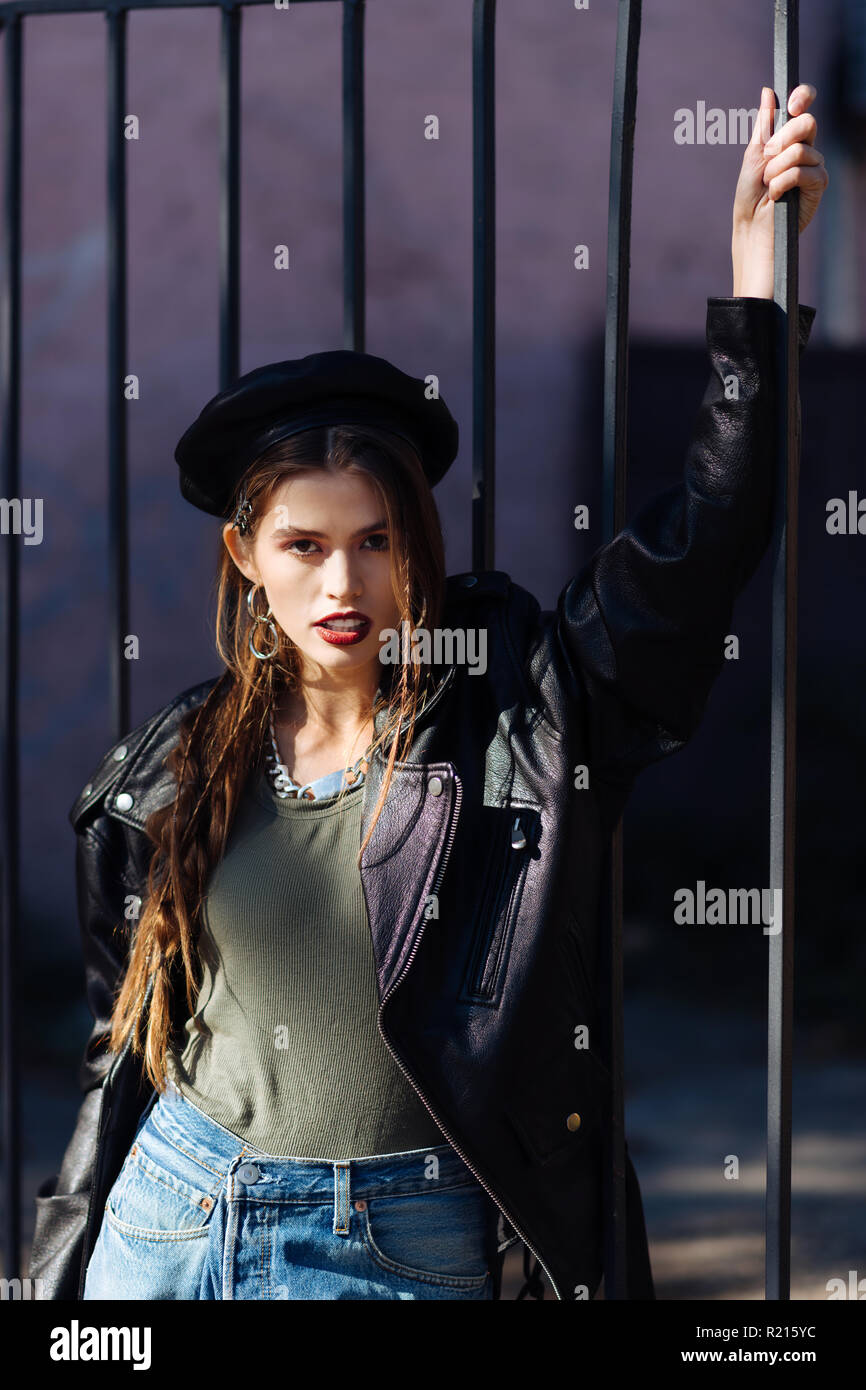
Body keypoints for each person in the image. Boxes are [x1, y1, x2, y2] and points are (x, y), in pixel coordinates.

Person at [29, 85, 827, 1301]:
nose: (343, 579)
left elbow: (701, 549)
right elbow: (119, 1047)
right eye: (303, 544)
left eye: (377, 539)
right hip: (167, 1220)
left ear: (418, 544)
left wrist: (753, 292)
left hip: (389, 1242)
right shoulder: (169, 764)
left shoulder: (524, 712)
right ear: (245, 556)